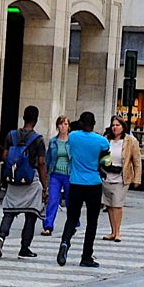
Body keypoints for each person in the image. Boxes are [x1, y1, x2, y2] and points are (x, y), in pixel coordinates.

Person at [55, 111, 110, 268]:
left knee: (72, 217)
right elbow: (106, 161)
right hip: (93, 183)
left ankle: (65, 242)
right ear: (94, 124)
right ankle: (86, 256)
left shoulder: (73, 137)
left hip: (76, 182)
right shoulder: (101, 141)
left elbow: (71, 130)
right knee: (92, 222)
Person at [0, 105, 48, 259]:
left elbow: (4, 156)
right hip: (30, 181)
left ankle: (1, 237)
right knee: (31, 214)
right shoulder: (38, 139)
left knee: (9, 212)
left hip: (13, 180)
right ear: (36, 119)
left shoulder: (11, 135)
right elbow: (42, 163)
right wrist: (45, 187)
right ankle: (25, 247)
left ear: (23, 117)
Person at [100, 117, 141, 243]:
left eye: (118, 125)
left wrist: (137, 178)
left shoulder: (130, 141)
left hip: (122, 176)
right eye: (113, 125)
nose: (115, 127)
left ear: (123, 127)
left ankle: (118, 232)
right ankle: (113, 231)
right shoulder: (106, 139)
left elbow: (137, 160)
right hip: (107, 174)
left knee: (117, 204)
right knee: (110, 205)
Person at [42, 115, 71, 235]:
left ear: (69, 127)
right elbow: (48, 160)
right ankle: (48, 226)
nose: (63, 127)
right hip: (55, 173)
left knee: (70, 200)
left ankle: (73, 223)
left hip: (69, 174)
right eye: (61, 124)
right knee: (53, 200)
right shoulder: (53, 141)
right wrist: (46, 178)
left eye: (65, 124)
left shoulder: (72, 141)